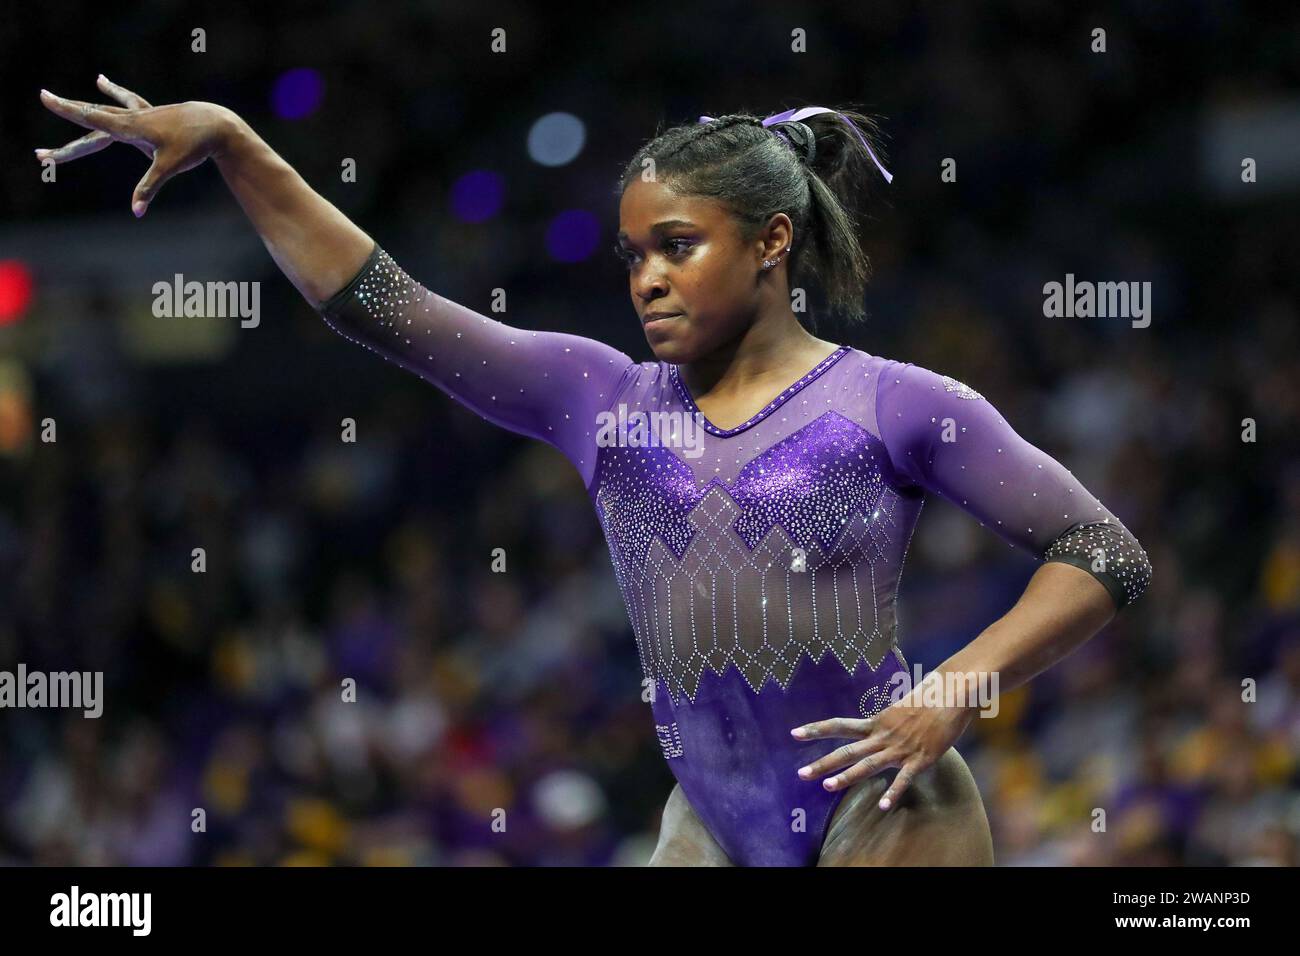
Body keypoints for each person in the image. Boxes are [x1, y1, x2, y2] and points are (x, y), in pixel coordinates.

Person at [36, 79, 1152, 866]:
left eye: (678, 245)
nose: (647, 278)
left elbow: (1104, 551)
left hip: (891, 805)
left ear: (771, 242)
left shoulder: (893, 401)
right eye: (634, 254)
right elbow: (385, 307)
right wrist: (239, 147)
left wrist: (952, 690)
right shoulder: (602, 400)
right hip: (709, 824)